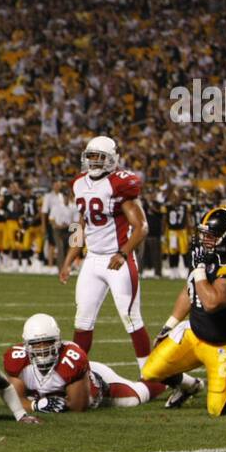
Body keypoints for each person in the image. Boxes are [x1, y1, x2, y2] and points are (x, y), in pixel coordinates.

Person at [141, 207, 226, 416]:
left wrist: (199, 270)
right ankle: (190, 386)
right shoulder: (205, 257)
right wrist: (169, 326)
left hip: (224, 344)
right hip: (193, 333)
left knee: (220, 409)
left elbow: (211, 302)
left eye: (210, 235)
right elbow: (190, 291)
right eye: (204, 234)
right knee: (150, 372)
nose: (204, 240)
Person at [58, 135, 154, 369]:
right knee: (83, 320)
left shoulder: (120, 183)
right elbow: (80, 224)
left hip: (118, 259)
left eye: (100, 157)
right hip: (92, 260)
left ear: (111, 160)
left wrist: (122, 253)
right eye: (91, 156)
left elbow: (142, 227)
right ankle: (77, 372)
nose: (94, 162)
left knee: (131, 318)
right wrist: (68, 261)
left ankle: (149, 373)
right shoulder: (79, 183)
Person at [5, 313, 169, 413]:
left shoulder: (70, 359)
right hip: (67, 387)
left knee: (138, 395)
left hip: (99, 388)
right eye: (36, 344)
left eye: (47, 342)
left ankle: (173, 379)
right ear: (26, 345)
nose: (42, 349)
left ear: (57, 341)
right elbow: (15, 400)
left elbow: (78, 406)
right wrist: (36, 405)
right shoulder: (18, 360)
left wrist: (42, 403)